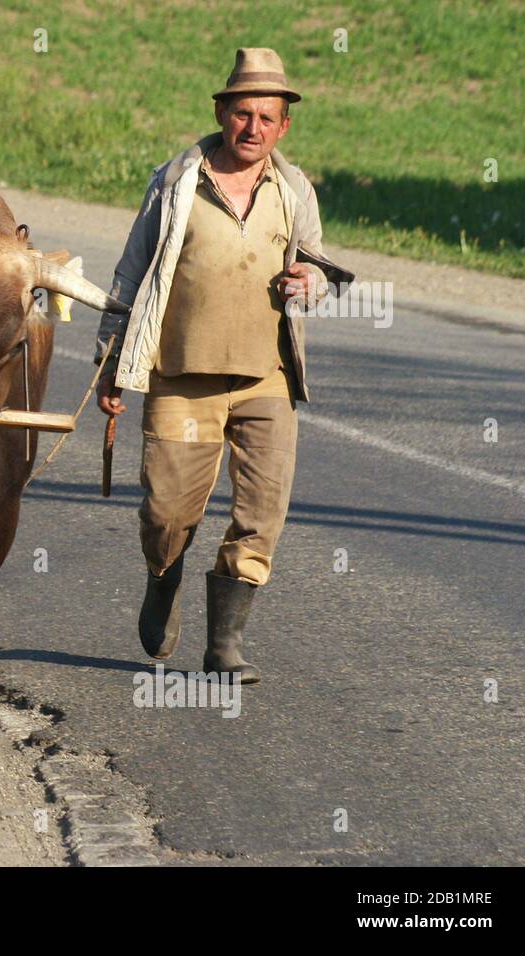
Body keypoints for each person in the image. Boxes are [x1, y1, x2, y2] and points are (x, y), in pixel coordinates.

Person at [95, 48, 353, 684]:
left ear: (284, 125)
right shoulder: (176, 180)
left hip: (267, 378)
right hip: (183, 377)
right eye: (243, 113)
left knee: (262, 511)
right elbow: (132, 271)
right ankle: (164, 577)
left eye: (267, 117)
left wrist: (310, 284)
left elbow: (318, 267)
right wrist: (110, 361)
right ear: (221, 112)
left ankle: (225, 646)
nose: (253, 128)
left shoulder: (293, 189)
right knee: (166, 513)